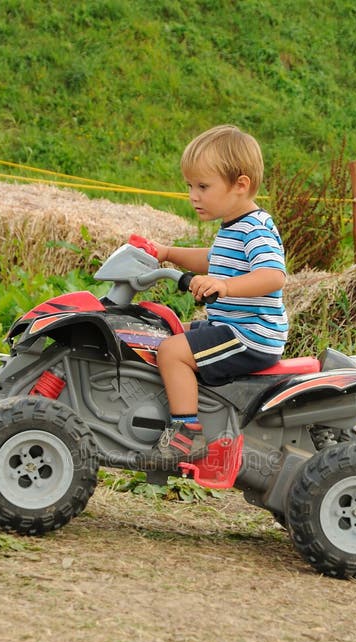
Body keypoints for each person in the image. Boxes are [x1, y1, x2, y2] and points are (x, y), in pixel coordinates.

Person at [148, 124, 288, 467]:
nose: (193, 196)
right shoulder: (233, 226)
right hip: (231, 327)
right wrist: (166, 252)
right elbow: (211, 260)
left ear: (240, 185)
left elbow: (273, 275)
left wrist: (226, 286)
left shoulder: (255, 228)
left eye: (203, 186)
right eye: (189, 186)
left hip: (251, 334)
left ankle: (186, 433)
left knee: (172, 351)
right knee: (166, 331)